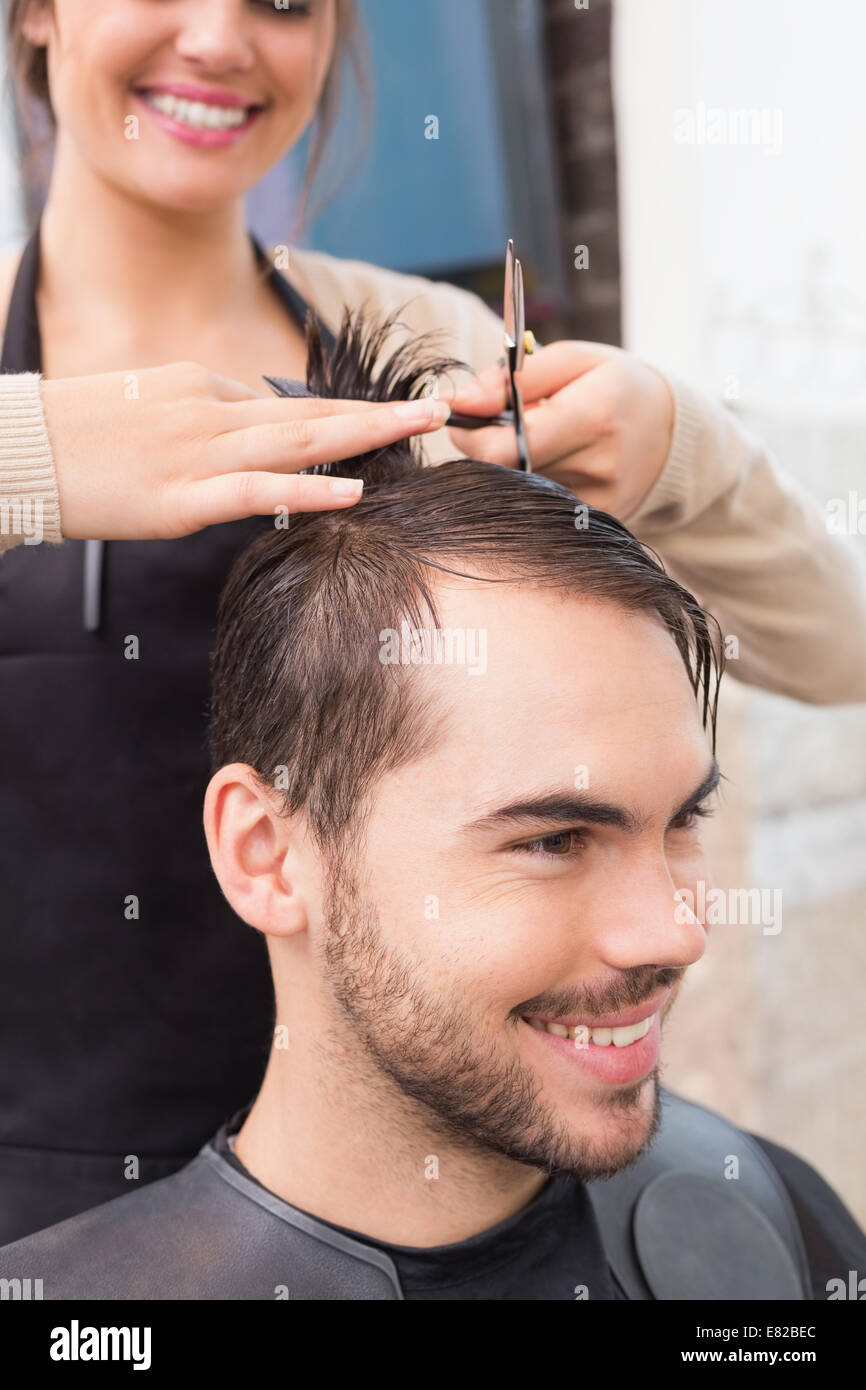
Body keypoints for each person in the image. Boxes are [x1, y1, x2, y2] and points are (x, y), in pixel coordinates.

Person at [1, 0, 865, 1248]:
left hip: (435, 1187)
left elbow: (834, 651)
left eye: (283, 3)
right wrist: (30, 457)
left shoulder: (437, 346)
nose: (219, 40)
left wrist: (682, 450)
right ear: (38, 12)